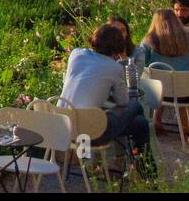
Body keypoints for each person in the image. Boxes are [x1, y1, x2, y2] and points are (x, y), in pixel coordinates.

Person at [60, 23, 150, 154]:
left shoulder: (76, 54)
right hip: (90, 133)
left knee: (140, 123)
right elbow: (123, 102)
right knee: (135, 106)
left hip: (64, 127)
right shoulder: (114, 67)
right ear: (118, 46)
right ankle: (144, 167)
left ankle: (88, 164)